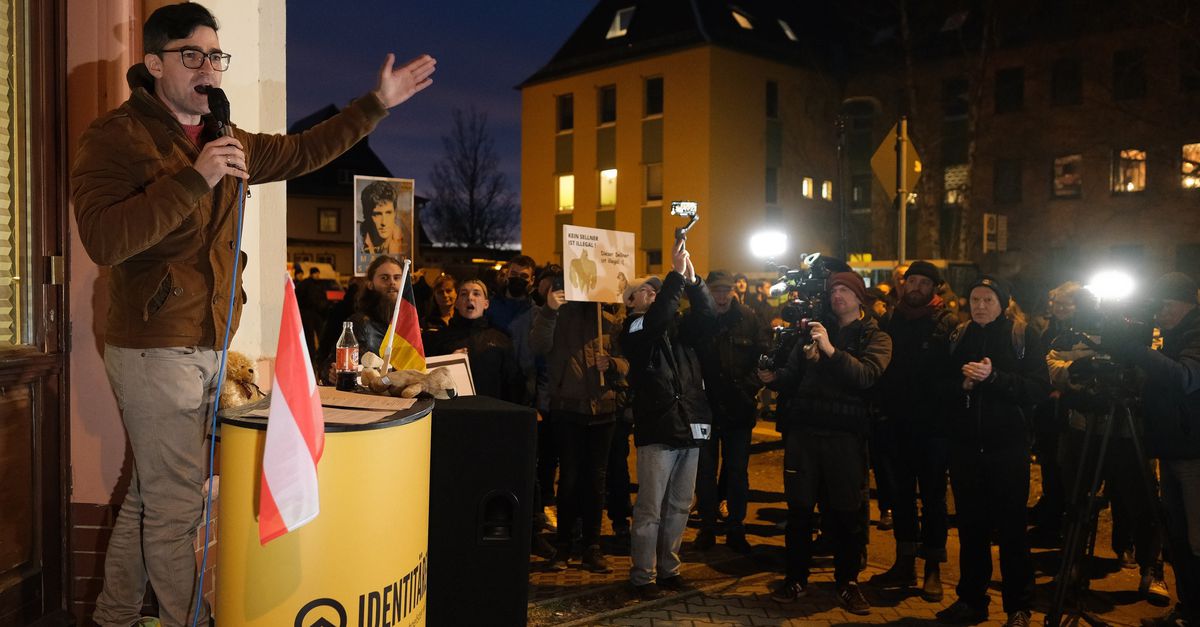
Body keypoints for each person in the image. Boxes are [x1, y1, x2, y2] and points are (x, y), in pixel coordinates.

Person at [70, 3, 435, 625]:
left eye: (216, 55)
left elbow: (303, 151)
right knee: (175, 508)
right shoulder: (117, 136)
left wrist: (376, 104)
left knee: (150, 496)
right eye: (193, 55)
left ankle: (113, 616)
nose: (209, 68)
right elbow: (104, 239)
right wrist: (195, 179)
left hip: (209, 342)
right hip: (155, 345)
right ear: (155, 63)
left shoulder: (223, 136)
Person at [759, 271, 891, 615]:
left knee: (847, 513)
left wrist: (830, 350)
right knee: (800, 511)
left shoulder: (875, 336)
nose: (838, 297)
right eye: (834, 291)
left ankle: (847, 582)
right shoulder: (812, 331)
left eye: (845, 291)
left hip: (844, 436)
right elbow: (792, 377)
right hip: (804, 433)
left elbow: (865, 376)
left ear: (859, 298)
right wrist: (773, 379)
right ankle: (795, 579)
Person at [935, 276, 1049, 627]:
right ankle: (971, 600)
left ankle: (1018, 606)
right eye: (975, 300)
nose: (980, 306)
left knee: (1012, 531)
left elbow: (1038, 388)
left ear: (1003, 303)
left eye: (988, 300)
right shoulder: (958, 335)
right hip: (966, 449)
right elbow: (938, 385)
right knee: (971, 529)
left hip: (1008, 448)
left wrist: (994, 376)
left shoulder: (1021, 335)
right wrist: (963, 384)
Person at [1046, 286, 1168, 605]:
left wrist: (1134, 362)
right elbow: (1052, 365)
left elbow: (1159, 373)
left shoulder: (1145, 336)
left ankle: (1151, 569)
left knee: (1143, 502)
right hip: (1085, 428)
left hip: (1129, 433)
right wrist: (1077, 371)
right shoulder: (1074, 336)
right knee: (1078, 501)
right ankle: (1072, 564)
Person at [619, 240, 715, 599]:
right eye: (644, 290)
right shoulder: (633, 331)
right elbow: (657, 319)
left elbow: (707, 318)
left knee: (679, 505)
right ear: (630, 303)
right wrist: (674, 275)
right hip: (658, 429)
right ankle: (643, 576)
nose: (652, 292)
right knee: (650, 508)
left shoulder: (679, 332)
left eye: (655, 289)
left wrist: (693, 282)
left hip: (689, 423)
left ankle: (669, 569)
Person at [1114, 272, 1200, 627]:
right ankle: (1188, 610)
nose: (1160, 312)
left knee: (1197, 542)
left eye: (1166, 305)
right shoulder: (1171, 336)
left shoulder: (1195, 335)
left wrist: (1138, 351)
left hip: (1194, 455)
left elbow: (1185, 378)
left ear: (1186, 304)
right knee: (1179, 539)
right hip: (1172, 450)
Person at [868, 261, 958, 601]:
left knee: (933, 498)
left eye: (924, 282)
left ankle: (932, 567)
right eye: (912, 281)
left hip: (934, 428)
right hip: (896, 424)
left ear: (934, 288)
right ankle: (904, 561)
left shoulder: (947, 323)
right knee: (900, 496)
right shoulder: (892, 321)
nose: (916, 287)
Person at [530, 280, 628, 573]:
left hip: (604, 408)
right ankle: (563, 546)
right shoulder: (560, 314)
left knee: (596, 482)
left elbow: (627, 361)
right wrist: (549, 311)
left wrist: (612, 364)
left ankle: (592, 546)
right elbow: (538, 345)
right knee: (570, 479)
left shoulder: (611, 319)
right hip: (568, 408)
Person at [690, 270, 768, 554]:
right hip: (705, 409)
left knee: (737, 472)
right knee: (705, 472)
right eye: (716, 291)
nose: (721, 296)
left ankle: (736, 526)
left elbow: (764, 356)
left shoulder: (748, 318)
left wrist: (747, 389)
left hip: (739, 408)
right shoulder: (699, 319)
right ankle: (707, 528)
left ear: (734, 291)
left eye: (726, 290)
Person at [424, 279, 524, 403]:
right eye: (464, 294)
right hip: (452, 411)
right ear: (457, 303)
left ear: (486, 304)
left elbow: (512, 383)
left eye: (476, 294)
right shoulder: (439, 338)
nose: (470, 298)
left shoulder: (500, 339)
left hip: (490, 412)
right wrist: (448, 363)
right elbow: (427, 378)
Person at [359, 180, 406, 257]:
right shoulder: (359, 237)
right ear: (367, 215)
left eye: (388, 213)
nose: (384, 222)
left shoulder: (404, 241)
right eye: (377, 214)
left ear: (395, 213)